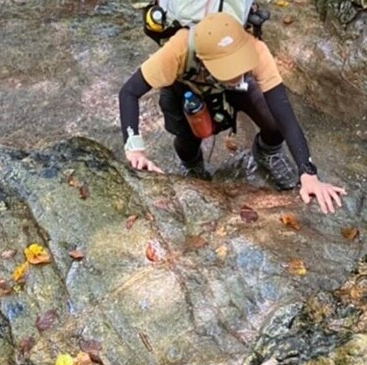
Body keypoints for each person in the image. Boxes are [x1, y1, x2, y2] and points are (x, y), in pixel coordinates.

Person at [118, 11, 346, 214]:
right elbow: (129, 92)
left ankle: (268, 151)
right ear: (202, 59)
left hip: (238, 89)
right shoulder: (175, 52)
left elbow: (284, 111)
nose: (237, 71)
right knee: (189, 138)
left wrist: (308, 172)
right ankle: (192, 166)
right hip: (185, 87)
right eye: (230, 67)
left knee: (273, 120)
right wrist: (135, 149)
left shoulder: (255, 48)